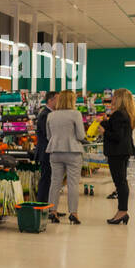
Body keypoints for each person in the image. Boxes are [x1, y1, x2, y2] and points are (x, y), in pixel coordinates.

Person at [44, 89, 86, 224]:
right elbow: (81, 136)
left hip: (55, 151)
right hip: (73, 152)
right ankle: (73, 213)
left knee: (55, 182)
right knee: (73, 183)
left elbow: (49, 136)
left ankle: (53, 211)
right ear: (72, 100)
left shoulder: (51, 116)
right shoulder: (76, 114)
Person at [101, 88, 135, 225]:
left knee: (120, 182)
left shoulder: (118, 115)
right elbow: (118, 131)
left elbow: (116, 136)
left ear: (120, 98)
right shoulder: (125, 114)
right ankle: (122, 211)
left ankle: (122, 212)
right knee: (121, 181)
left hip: (116, 152)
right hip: (122, 152)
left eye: (114, 96)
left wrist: (104, 130)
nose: (112, 99)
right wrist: (106, 122)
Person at [34, 91, 57, 203]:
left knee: (50, 180)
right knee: (45, 180)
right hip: (46, 152)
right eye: (57, 99)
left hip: (49, 151)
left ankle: (49, 207)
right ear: (50, 100)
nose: (59, 102)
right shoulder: (45, 114)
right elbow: (48, 134)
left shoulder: (50, 113)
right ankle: (42, 206)